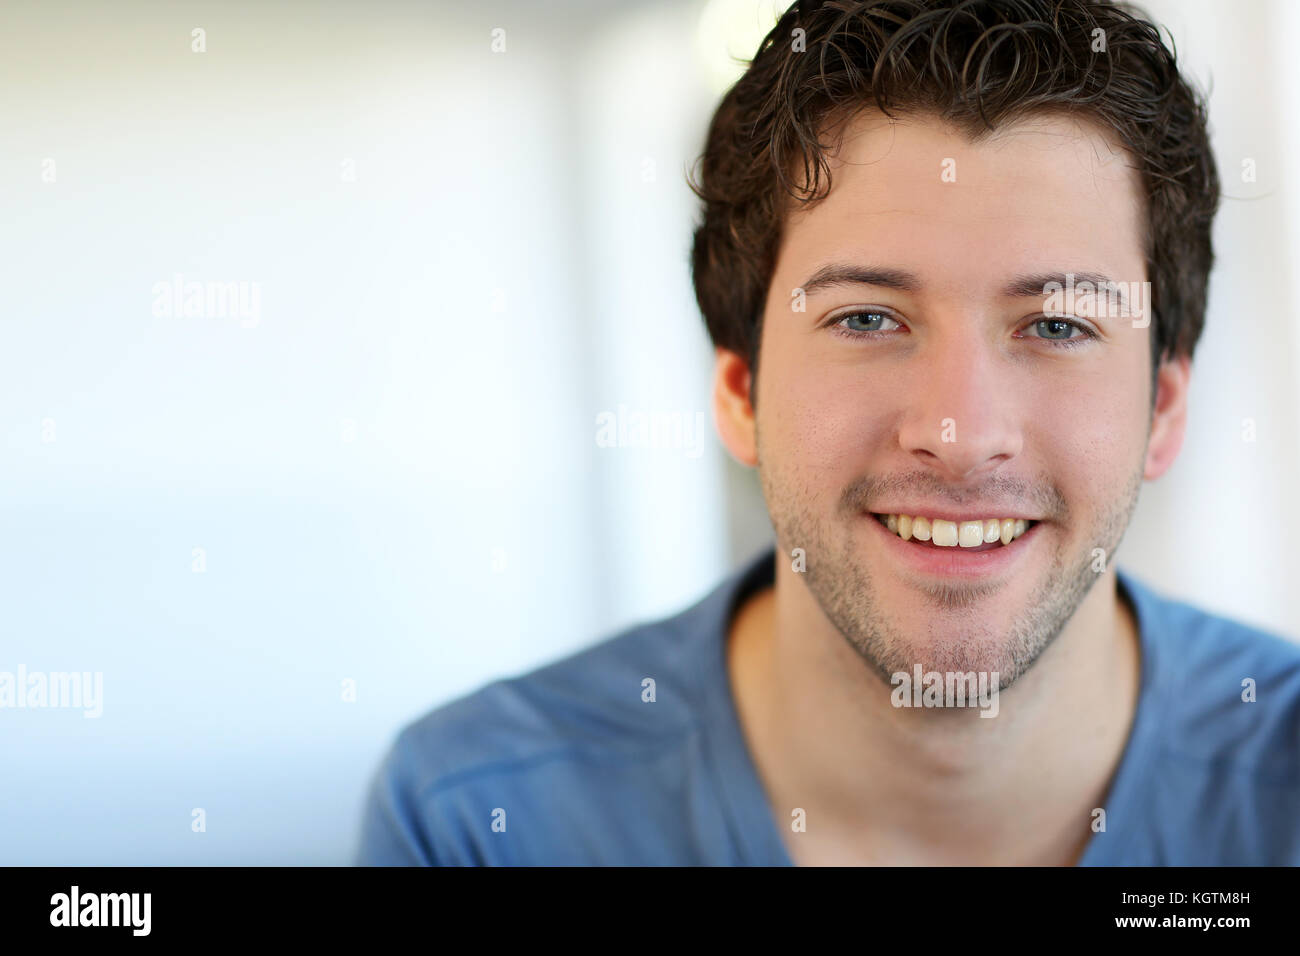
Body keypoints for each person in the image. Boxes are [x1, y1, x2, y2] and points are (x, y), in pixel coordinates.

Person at [355, 0, 1300, 865]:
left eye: (1057, 325)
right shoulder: (479, 821)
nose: (960, 434)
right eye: (865, 319)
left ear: (1164, 408)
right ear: (740, 391)